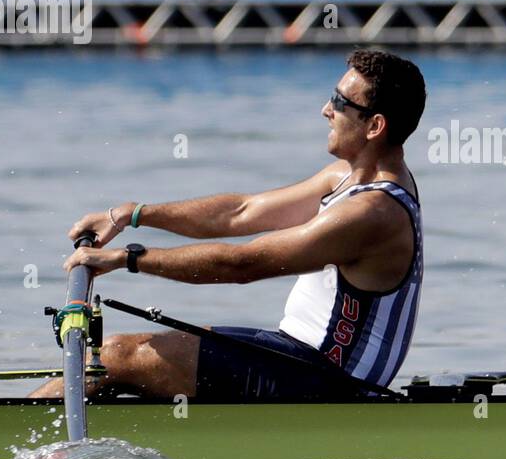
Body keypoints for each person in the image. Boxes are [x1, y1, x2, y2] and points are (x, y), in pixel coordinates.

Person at [33, 49, 426, 401]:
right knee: (146, 353)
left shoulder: (373, 213)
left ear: (374, 126)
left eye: (340, 102)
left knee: (119, 355)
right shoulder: (345, 177)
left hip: (330, 380)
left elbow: (241, 265)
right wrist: (132, 215)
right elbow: (240, 212)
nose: (326, 109)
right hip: (292, 353)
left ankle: (7, 445)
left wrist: (127, 259)